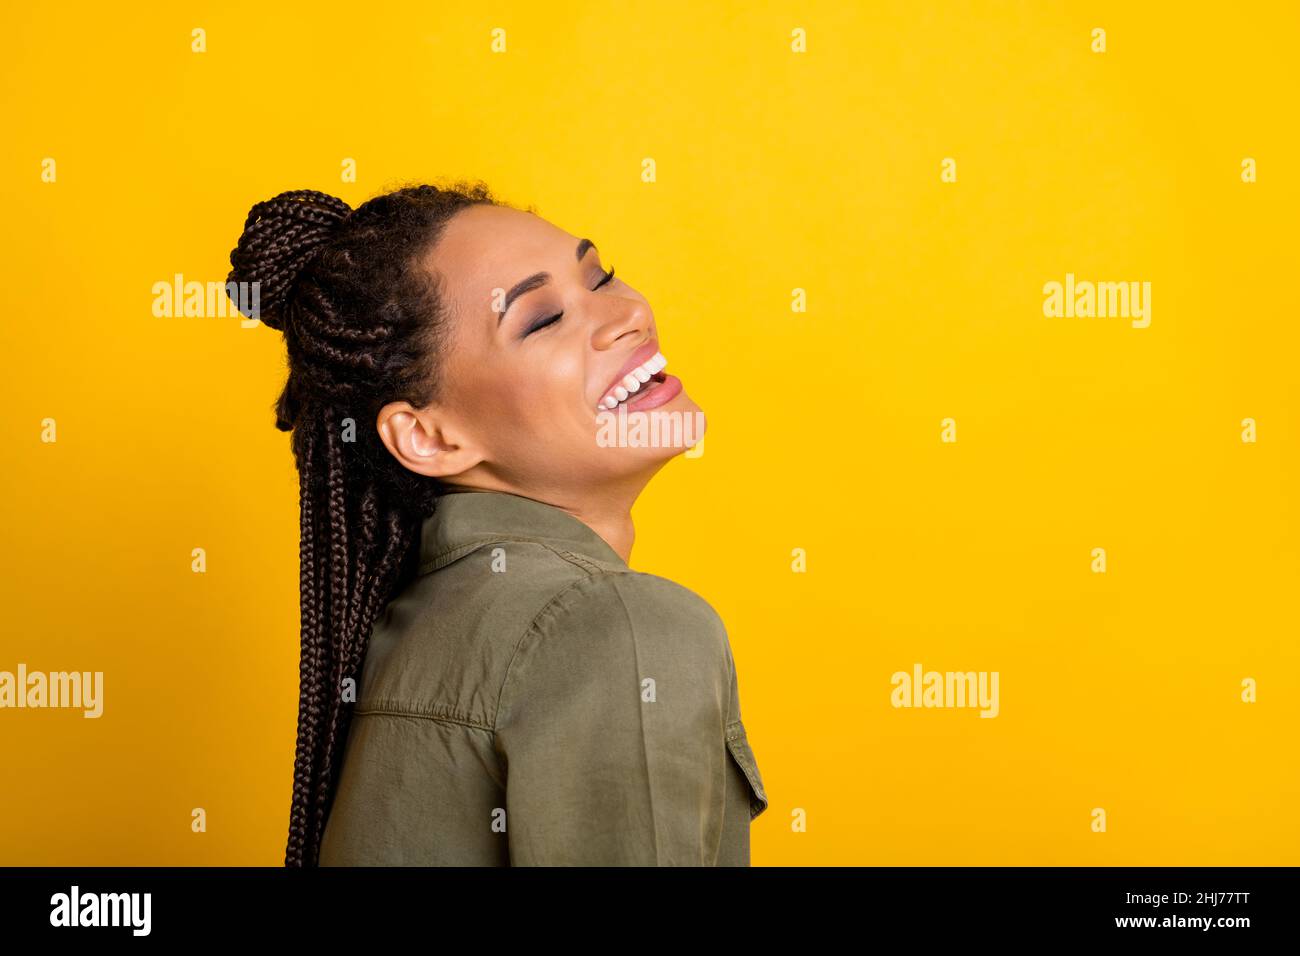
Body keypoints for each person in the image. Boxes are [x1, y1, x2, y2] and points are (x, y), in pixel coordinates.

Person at [225, 181, 768, 866]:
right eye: (542, 320)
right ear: (429, 437)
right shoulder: (617, 626)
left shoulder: (417, 626)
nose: (624, 314)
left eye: (600, 274)